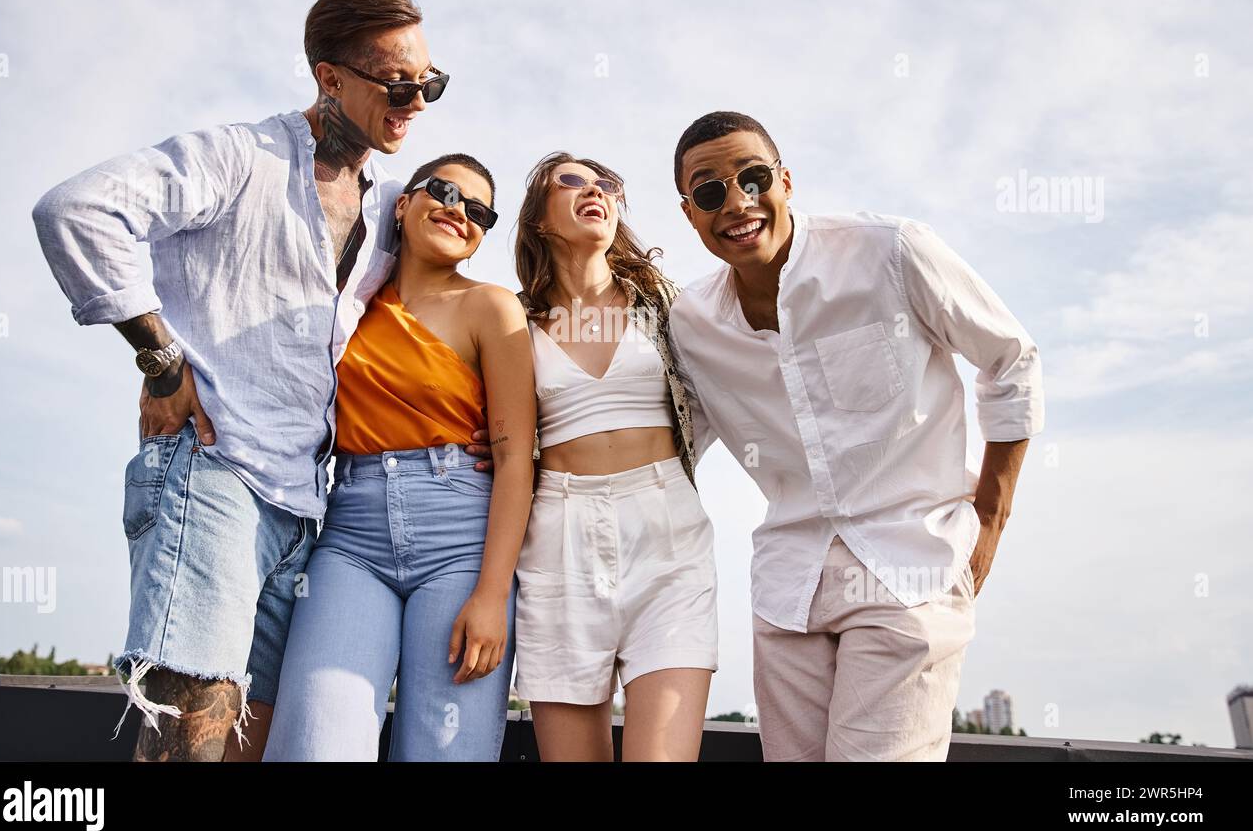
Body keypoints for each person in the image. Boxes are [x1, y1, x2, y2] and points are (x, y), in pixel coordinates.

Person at [30, 0, 494, 761]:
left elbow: (427, 301)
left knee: (256, 735)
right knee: (192, 732)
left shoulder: (385, 202)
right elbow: (75, 211)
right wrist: (161, 357)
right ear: (329, 77)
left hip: (307, 510)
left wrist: (480, 432)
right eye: (399, 83)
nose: (417, 101)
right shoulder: (235, 157)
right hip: (217, 475)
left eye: (430, 83)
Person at [667, 111, 1044, 761]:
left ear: (786, 180)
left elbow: (1011, 359)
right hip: (789, 589)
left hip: (910, 562)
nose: (737, 203)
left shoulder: (891, 251)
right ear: (690, 214)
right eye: (710, 191)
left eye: (753, 178)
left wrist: (991, 517)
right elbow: (671, 442)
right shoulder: (692, 322)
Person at [263, 155, 535, 761]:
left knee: (446, 748)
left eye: (478, 210)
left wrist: (493, 595)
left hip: (462, 541)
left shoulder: (492, 308)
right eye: (442, 191)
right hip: (351, 536)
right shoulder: (348, 304)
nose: (457, 210)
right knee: (315, 740)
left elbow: (518, 460)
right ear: (403, 204)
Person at [510, 152, 718, 762]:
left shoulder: (666, 305)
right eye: (570, 181)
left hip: (667, 533)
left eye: (605, 183)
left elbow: (727, 395)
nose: (594, 189)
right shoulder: (510, 322)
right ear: (539, 220)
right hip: (557, 536)